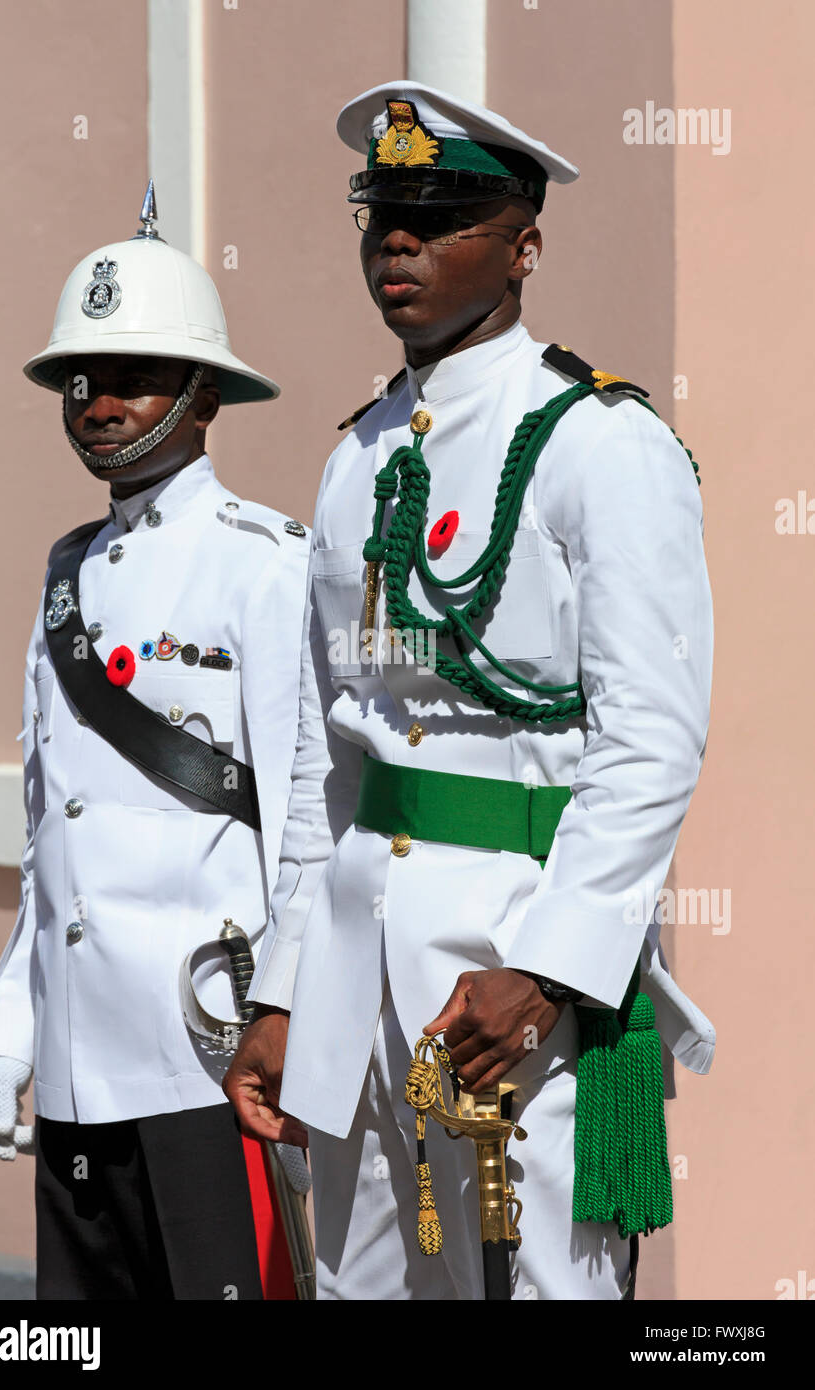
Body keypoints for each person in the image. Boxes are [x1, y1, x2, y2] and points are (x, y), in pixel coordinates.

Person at [225, 82, 716, 1301]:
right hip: (353, 973)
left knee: (537, 1289)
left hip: (511, 960)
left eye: (440, 215)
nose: (398, 241)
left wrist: (548, 973)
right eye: (381, 212)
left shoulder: (599, 443)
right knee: (359, 1288)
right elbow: (325, 752)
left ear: (522, 243)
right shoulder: (356, 456)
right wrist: (285, 982)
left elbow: (648, 742)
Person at [0, 185, 311, 1300]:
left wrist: (287, 1010)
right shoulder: (66, 571)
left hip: (205, 1058)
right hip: (76, 1070)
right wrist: (7, 1027)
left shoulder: (264, 561)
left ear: (204, 392)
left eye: (132, 376)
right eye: (83, 378)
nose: (99, 401)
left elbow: (307, 820)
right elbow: (43, 843)